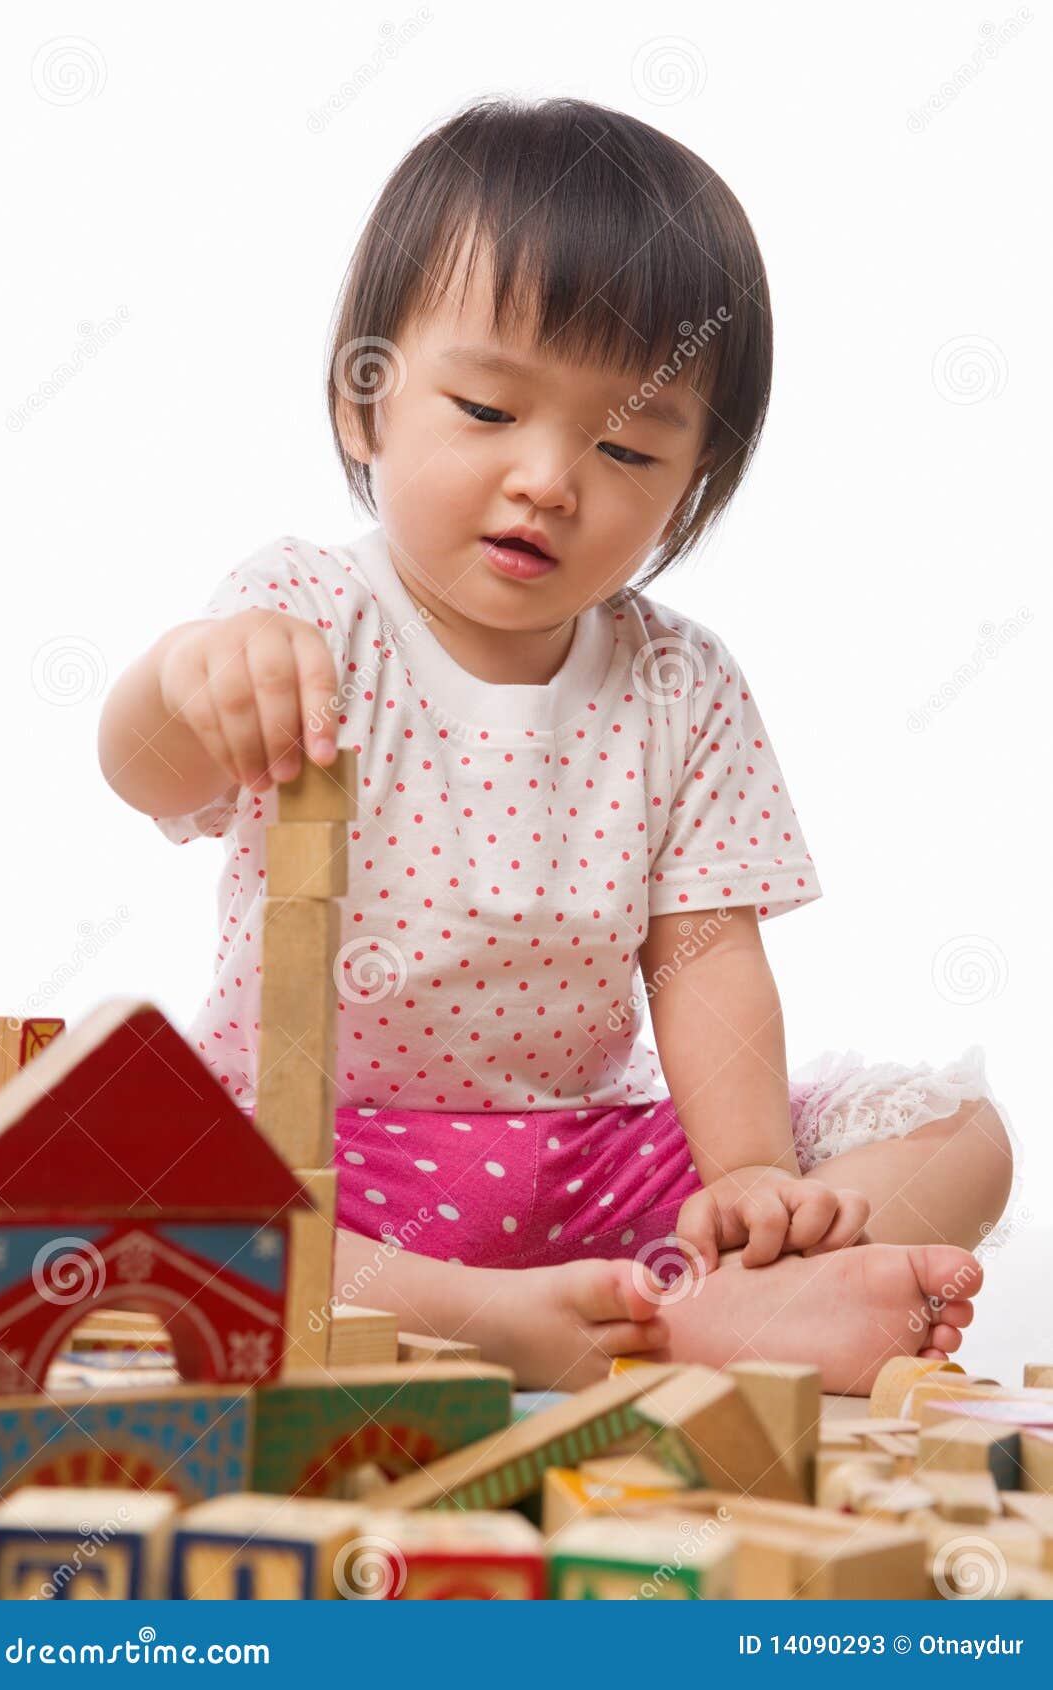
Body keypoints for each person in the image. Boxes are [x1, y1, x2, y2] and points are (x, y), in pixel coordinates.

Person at [98, 96, 1016, 1394]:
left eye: (628, 444)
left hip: (578, 1157)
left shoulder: (677, 685)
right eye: (485, 409)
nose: (547, 477)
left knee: (958, 1133)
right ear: (369, 405)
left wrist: (751, 1178)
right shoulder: (304, 611)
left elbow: (703, 957)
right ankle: (491, 1318)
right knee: (112, 1161)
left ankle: (705, 1306)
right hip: (315, 1159)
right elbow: (146, 770)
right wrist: (190, 679)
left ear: (691, 482)